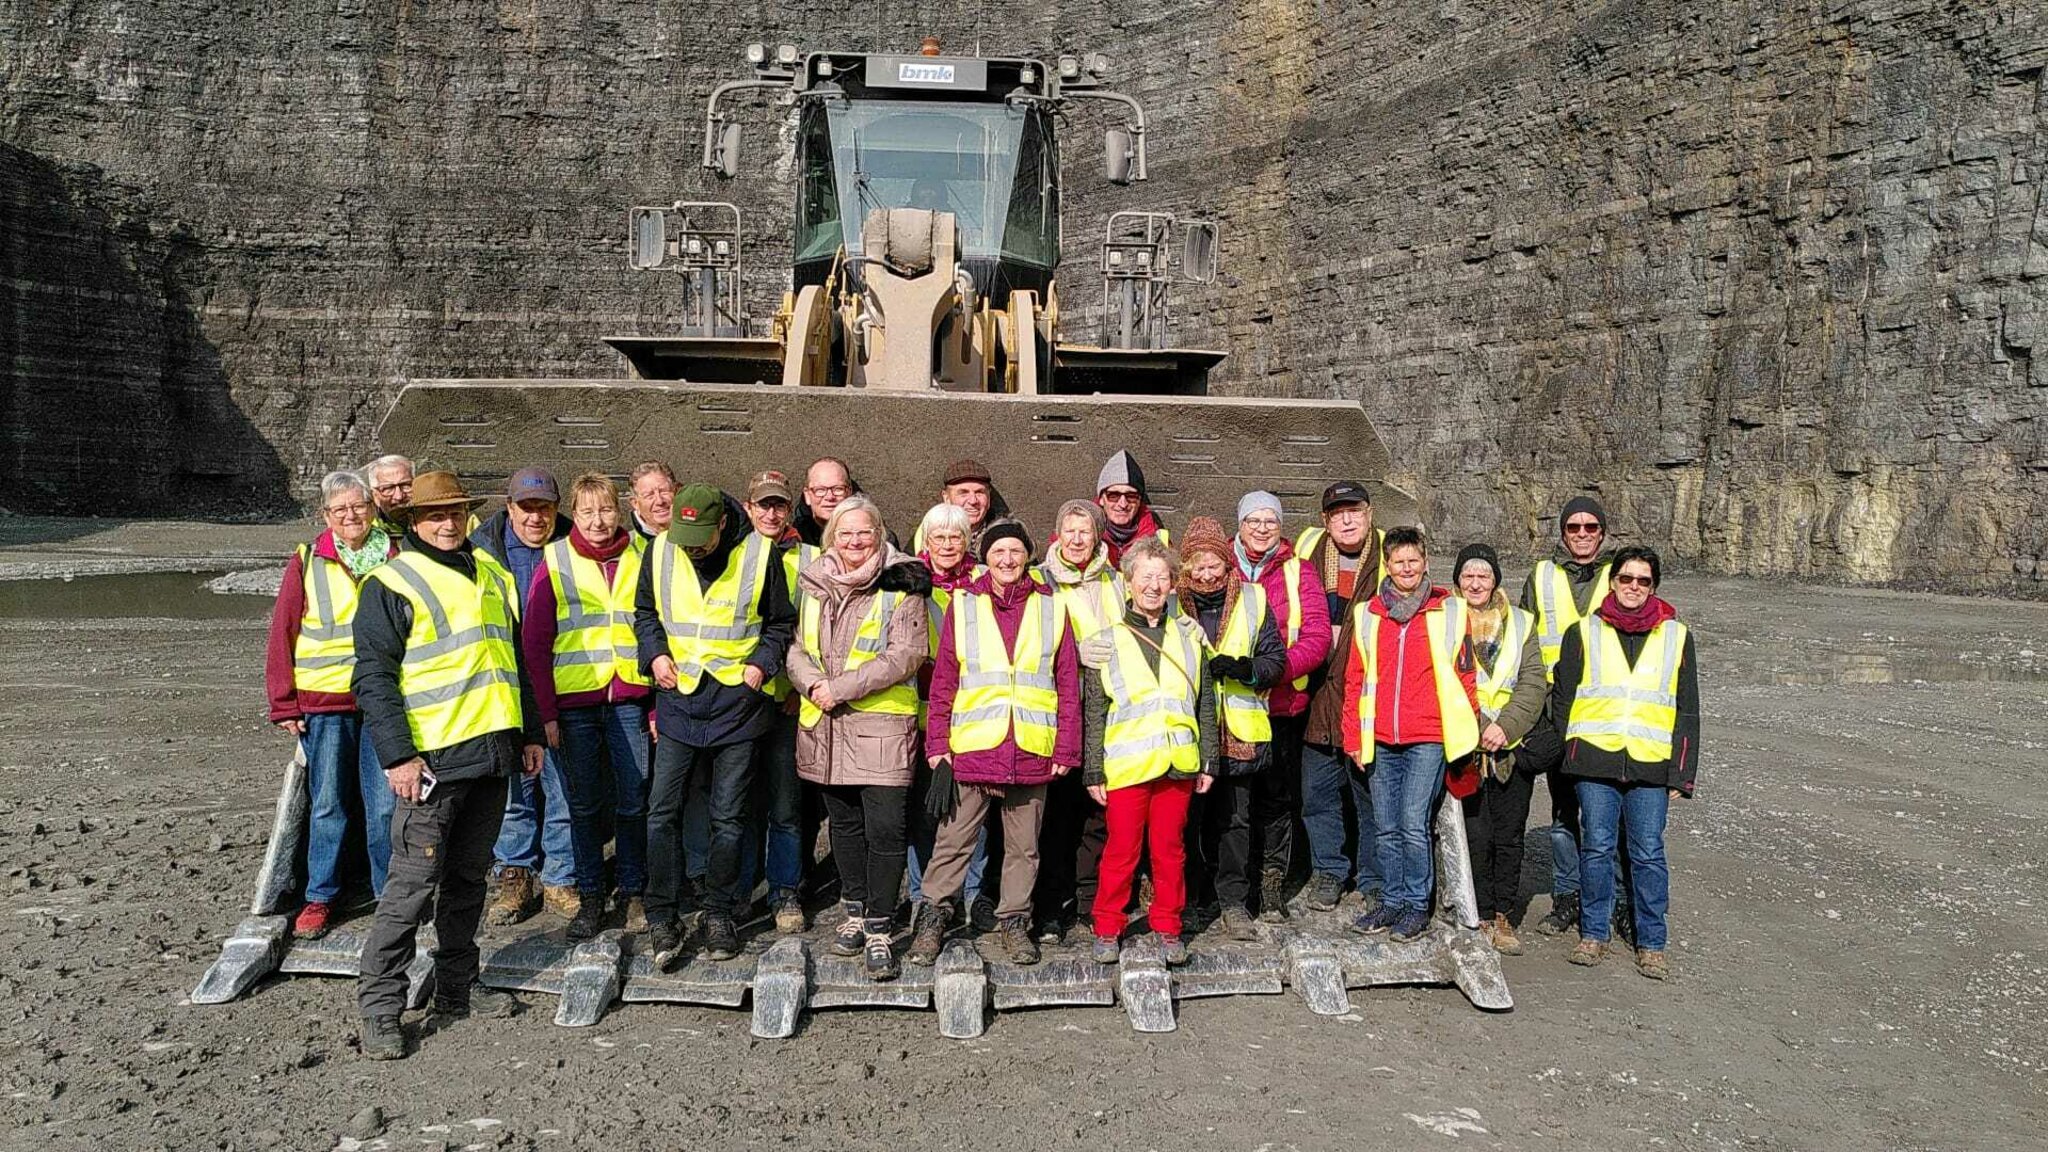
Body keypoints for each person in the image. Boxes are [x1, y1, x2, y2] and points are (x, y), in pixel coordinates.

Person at [352, 471, 545, 1061]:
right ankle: (381, 1008)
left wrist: (530, 733)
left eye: (457, 513)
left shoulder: (488, 571)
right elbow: (373, 679)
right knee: (410, 890)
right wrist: (399, 756)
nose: (448, 523)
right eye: (436, 515)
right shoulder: (391, 582)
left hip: (489, 754)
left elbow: (510, 657)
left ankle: (457, 987)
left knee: (467, 882)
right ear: (413, 522)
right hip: (430, 763)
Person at [634, 484, 797, 967]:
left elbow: (779, 623)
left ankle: (718, 912)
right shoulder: (661, 549)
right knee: (662, 812)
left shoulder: (759, 555)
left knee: (729, 818)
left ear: (723, 524)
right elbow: (645, 614)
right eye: (684, 538)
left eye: (700, 539)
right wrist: (655, 654)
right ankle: (662, 915)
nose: (691, 547)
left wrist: (761, 666)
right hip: (680, 698)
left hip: (738, 703)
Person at [907, 520, 1082, 968]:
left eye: (1015, 552)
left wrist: (1066, 748)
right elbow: (945, 679)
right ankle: (934, 917)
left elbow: (1067, 683)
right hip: (974, 748)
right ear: (984, 557)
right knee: (953, 841)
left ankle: (1014, 922)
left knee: (1024, 847)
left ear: (1028, 557)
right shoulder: (963, 605)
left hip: (1030, 747)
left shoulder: (1053, 607)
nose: (1007, 560)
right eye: (998, 552)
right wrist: (938, 743)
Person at [786, 497, 927, 980]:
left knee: (885, 831)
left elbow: (905, 655)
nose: (854, 541)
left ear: (880, 533)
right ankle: (854, 909)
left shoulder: (901, 583)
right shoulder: (814, 582)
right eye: (844, 533)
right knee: (843, 827)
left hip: (880, 728)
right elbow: (797, 646)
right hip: (825, 727)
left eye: (864, 532)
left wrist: (837, 688)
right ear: (831, 537)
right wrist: (810, 684)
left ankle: (882, 925)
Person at [265, 470, 399, 939]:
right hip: (325, 704)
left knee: (384, 805)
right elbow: (283, 631)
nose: (350, 516)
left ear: (371, 507)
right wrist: (284, 703)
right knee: (328, 803)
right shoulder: (307, 560)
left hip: (384, 703)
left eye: (357, 506)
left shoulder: (396, 555)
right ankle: (320, 896)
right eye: (339, 509)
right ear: (325, 516)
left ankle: (388, 895)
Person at [1555, 546, 1699, 980]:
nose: (1634, 587)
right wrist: (1570, 755)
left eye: (1643, 581)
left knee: (1648, 854)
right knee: (1597, 848)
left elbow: (1687, 708)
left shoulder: (1676, 635)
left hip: (1650, 766)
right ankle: (1593, 934)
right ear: (1613, 581)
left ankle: (1651, 942)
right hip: (1595, 763)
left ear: (1653, 586)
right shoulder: (1583, 632)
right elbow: (1564, 700)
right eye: (1626, 579)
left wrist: (1682, 771)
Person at [521, 473, 653, 939]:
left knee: (635, 800)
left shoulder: (643, 555)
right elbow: (535, 645)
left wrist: (655, 707)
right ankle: (592, 897)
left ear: (621, 511)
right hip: (575, 704)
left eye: (606, 510)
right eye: (587, 512)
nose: (598, 521)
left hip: (631, 700)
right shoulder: (555, 559)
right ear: (573, 515)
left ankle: (635, 892)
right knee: (583, 805)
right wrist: (547, 716)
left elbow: (660, 630)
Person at [1341, 527, 1480, 943]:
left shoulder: (1449, 610)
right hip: (1380, 735)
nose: (1406, 568)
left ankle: (1416, 905)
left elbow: (1465, 673)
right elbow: (1355, 679)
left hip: (1428, 736)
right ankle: (1391, 899)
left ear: (1424, 562)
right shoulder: (1368, 614)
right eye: (1398, 561)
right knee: (1384, 824)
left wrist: (1468, 724)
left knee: (1412, 822)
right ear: (1387, 564)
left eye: (1413, 561)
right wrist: (1352, 736)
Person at [1081, 537, 1216, 965]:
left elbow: (1204, 702)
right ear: (1128, 583)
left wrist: (1208, 757)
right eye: (1146, 578)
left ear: (1174, 585)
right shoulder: (1107, 640)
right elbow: (1095, 711)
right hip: (1127, 765)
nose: (1154, 586)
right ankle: (1107, 925)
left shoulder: (1189, 638)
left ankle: (1168, 924)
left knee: (1170, 849)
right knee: (1121, 850)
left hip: (1179, 763)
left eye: (1162, 578)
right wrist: (1093, 770)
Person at [471, 468, 575, 926]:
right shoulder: (481, 555)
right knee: (516, 789)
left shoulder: (573, 549)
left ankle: (560, 877)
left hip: (561, 685)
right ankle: (516, 873)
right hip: (506, 688)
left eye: (545, 508)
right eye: (527, 508)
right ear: (509, 507)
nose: (536, 517)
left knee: (561, 786)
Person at [1175, 516, 1287, 940]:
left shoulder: (1254, 600)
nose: (1206, 575)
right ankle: (1190, 901)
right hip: (1186, 733)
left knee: (1235, 822)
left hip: (1239, 734)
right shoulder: (1169, 603)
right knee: (1186, 823)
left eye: (1213, 566)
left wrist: (1247, 669)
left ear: (1227, 564)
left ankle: (1233, 902)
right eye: (1196, 567)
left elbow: (1275, 663)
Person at [1232, 490, 1330, 919]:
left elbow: (1317, 637)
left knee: (1277, 800)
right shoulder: (1220, 567)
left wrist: (1272, 670)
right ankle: (1232, 886)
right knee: (1232, 804)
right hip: (1231, 707)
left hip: (1282, 706)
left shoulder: (1298, 571)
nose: (1261, 528)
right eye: (1253, 520)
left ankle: (1271, 883)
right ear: (1239, 524)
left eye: (1270, 520)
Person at [1520, 496, 1616, 936]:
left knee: (1605, 813)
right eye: (1573, 528)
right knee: (1563, 813)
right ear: (1562, 532)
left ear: (1602, 532)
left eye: (1590, 527)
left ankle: (1610, 900)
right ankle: (1567, 898)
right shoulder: (1541, 575)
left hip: (1605, 712)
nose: (1582, 534)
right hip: (1554, 710)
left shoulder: (1621, 576)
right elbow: (1522, 639)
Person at [1030, 499, 1125, 942]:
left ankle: (1088, 901)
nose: (1076, 539)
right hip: (1059, 711)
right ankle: (1050, 906)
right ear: (1057, 534)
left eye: (1085, 531)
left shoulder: (1117, 581)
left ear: (1098, 535)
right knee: (1056, 817)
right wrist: (1071, 655)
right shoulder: (1039, 582)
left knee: (1097, 815)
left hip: (1109, 711)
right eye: (1069, 530)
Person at [1451, 544, 1548, 954]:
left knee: (1508, 836)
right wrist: (1476, 727)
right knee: (1472, 834)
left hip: (1509, 748)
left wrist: (1505, 728)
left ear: (1496, 581)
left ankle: (1503, 914)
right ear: (1458, 581)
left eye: (1483, 576)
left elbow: (1533, 682)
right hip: (1464, 744)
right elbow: (1442, 679)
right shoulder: (1444, 619)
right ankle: (1478, 912)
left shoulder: (1522, 623)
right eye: (1468, 576)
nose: (1475, 583)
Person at [1298, 480, 1387, 912]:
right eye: (1338, 513)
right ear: (1325, 521)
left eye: (1354, 511)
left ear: (1370, 513)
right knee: (1318, 799)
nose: (1347, 520)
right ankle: (1329, 873)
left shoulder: (1389, 558)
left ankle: (1371, 877)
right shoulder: (1309, 557)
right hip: (1317, 698)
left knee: (1369, 799)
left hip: (1368, 701)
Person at [905, 503, 989, 916]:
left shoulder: (983, 579)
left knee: (971, 810)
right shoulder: (910, 581)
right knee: (924, 808)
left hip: (972, 712)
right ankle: (923, 896)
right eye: (938, 537)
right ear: (926, 541)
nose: (947, 545)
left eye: (956, 537)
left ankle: (973, 894)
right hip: (919, 711)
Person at [748, 469, 812, 932]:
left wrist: (799, 688)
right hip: (741, 698)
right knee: (738, 803)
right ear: (749, 509)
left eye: (779, 506)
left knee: (786, 806)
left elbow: (820, 633)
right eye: (763, 505)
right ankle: (738, 891)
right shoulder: (734, 556)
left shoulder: (811, 557)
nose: (771, 513)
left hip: (788, 699)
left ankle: (785, 892)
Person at [1094, 450, 1170, 565]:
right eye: (1113, 495)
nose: (1123, 504)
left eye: (1131, 496)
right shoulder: (1076, 536)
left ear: (1139, 501)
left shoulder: (1159, 541)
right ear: (1101, 499)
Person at [912, 459, 997, 552]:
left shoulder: (1006, 539)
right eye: (963, 493)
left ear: (988, 499)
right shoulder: (922, 538)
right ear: (946, 498)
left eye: (979, 492)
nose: (973, 501)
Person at [794, 457, 857, 547]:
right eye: (820, 490)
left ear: (849, 492)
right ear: (807, 495)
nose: (829, 497)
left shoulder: (868, 537)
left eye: (838, 489)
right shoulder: (794, 539)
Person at [363, 454, 414, 533]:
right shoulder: (368, 534)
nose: (399, 496)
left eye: (405, 485)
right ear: (375, 496)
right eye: (388, 488)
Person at [628, 461, 678, 541]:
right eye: (649, 495)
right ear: (635, 503)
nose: (659, 501)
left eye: (664, 491)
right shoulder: (625, 546)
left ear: (676, 492)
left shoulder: (698, 538)